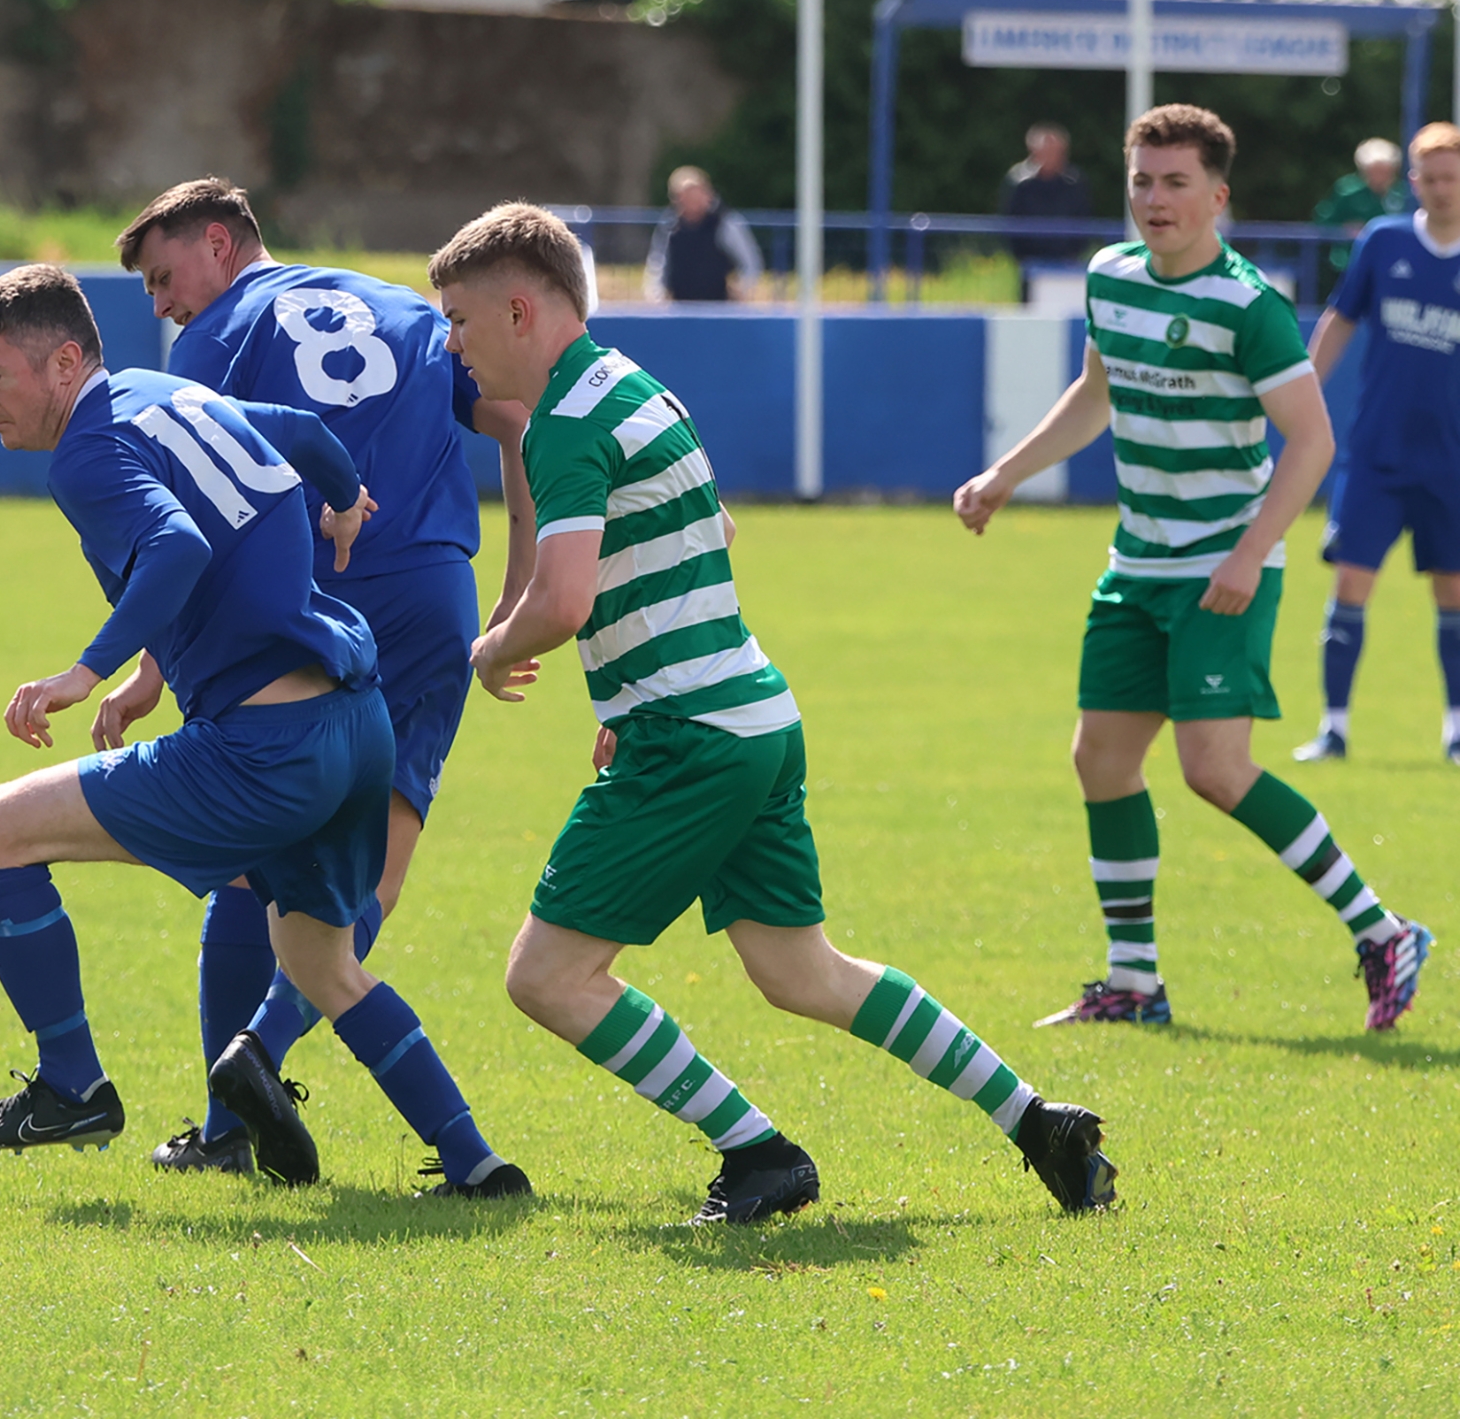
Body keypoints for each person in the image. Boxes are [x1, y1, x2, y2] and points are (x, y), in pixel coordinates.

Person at [430, 202, 1116, 1224]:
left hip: (690, 739)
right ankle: (1036, 1120)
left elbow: (564, 601)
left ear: (521, 310)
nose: (454, 346)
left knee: (549, 976)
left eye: (459, 322)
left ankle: (759, 1154)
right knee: (804, 971)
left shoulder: (569, 422)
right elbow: (716, 535)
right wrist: (623, 680)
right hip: (750, 716)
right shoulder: (636, 387)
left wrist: (488, 651)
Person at [0, 264, 528, 1200]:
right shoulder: (156, 390)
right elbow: (302, 433)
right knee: (322, 965)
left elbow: (176, 545)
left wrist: (85, 671)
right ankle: (479, 1166)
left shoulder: (85, 454)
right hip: (353, 725)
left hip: (263, 752)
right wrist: (341, 502)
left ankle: (72, 1088)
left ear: (61, 362)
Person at [954, 104, 1433, 1033]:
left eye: (1176, 184)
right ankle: (1134, 982)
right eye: (1142, 180)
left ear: (1218, 196)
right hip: (1137, 564)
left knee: (1214, 770)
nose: (1155, 200)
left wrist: (1250, 554)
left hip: (1223, 566)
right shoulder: (1110, 278)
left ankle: (1381, 930)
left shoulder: (1246, 303)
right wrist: (1006, 472)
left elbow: (1312, 440)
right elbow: (1096, 394)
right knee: (1101, 758)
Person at [110, 178, 535, 1178]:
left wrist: (145, 668)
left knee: (255, 854)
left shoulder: (214, 338)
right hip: (433, 600)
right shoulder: (404, 306)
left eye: (166, 277)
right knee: (372, 872)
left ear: (221, 244)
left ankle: (228, 1119)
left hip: (312, 612)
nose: (164, 303)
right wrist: (516, 599)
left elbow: (195, 522)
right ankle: (262, 1052)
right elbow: (516, 417)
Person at [1294, 122, 1460, 767]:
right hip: (1378, 454)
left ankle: (1455, 729)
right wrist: (1304, 396)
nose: (1443, 189)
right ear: (1412, 181)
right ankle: (1333, 728)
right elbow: (1339, 320)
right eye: (1432, 177)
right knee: (1350, 584)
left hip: (1451, 462)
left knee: (1451, 595)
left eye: (1453, 177)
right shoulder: (1383, 242)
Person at [642, 166, 763, 304]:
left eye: (696, 194)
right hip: (679, 309)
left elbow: (750, 263)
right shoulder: (669, 227)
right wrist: (657, 296)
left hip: (721, 309)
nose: (692, 201)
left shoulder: (725, 223)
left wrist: (742, 288)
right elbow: (657, 265)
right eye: (685, 197)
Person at [999, 122, 1094, 296]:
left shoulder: (1075, 182)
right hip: (1030, 264)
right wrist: (1023, 258)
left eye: (1056, 151)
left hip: (1067, 264)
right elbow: (1010, 223)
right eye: (1046, 151)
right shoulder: (1019, 182)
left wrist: (1073, 255)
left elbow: (1083, 219)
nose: (1051, 157)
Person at [1314, 138, 1410, 273]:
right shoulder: (1347, 191)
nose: (1380, 176)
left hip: (1394, 260)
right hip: (1349, 261)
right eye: (1375, 170)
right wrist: (1345, 228)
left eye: (1385, 170)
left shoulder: (1404, 194)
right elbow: (1323, 222)